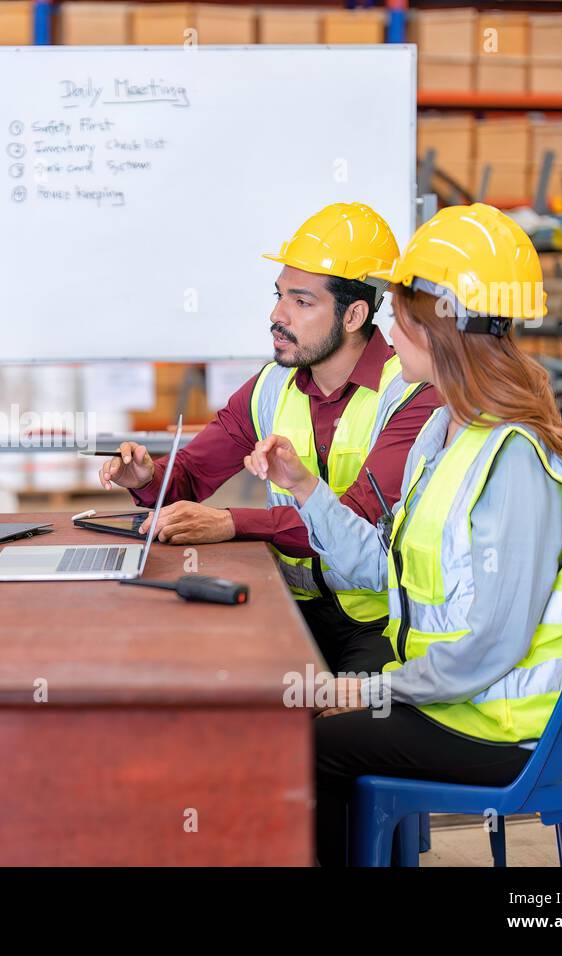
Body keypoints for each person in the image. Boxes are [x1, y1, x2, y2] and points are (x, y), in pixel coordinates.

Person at [244, 203, 562, 866]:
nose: (387, 336)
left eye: (398, 322)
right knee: (294, 715)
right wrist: (305, 490)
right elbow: (385, 569)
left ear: (441, 335)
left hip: (505, 726)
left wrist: (371, 689)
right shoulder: (441, 434)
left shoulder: (512, 459)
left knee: (307, 746)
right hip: (454, 698)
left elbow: (493, 644)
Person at [99, 202, 441, 674]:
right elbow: (188, 479)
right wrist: (145, 476)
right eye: (280, 295)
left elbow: (353, 525)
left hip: (382, 623)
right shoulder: (270, 386)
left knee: (322, 732)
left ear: (354, 314)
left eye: (302, 302)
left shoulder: (410, 395)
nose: (277, 315)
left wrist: (233, 521)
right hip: (288, 606)